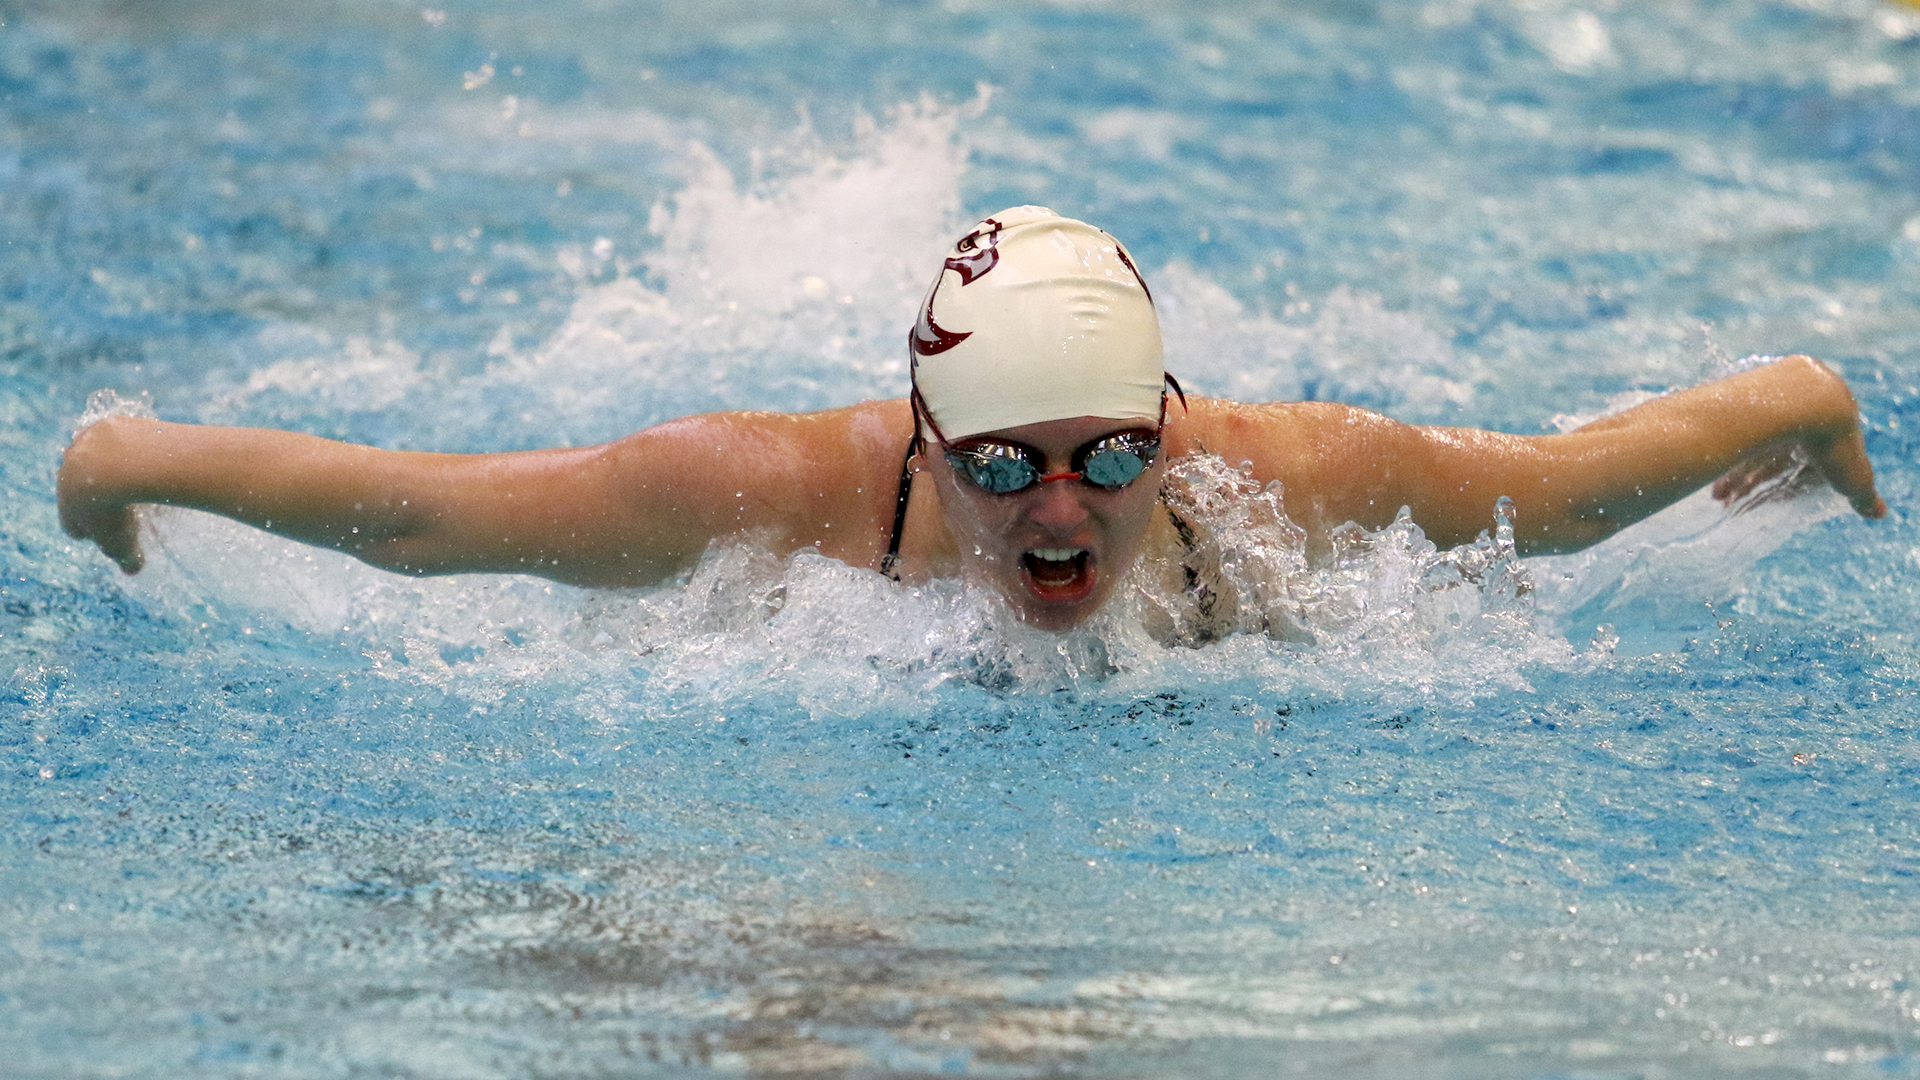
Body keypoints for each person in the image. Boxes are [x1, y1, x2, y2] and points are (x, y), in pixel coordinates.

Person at [58, 207, 1886, 633]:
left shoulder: (1272, 484)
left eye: (1113, 451)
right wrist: (121, 466)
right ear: (926, 448)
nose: (1066, 513)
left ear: (1171, 420)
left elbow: (1555, 500)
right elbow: (433, 516)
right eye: (1004, 467)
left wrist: (1800, 400)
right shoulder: (772, 495)